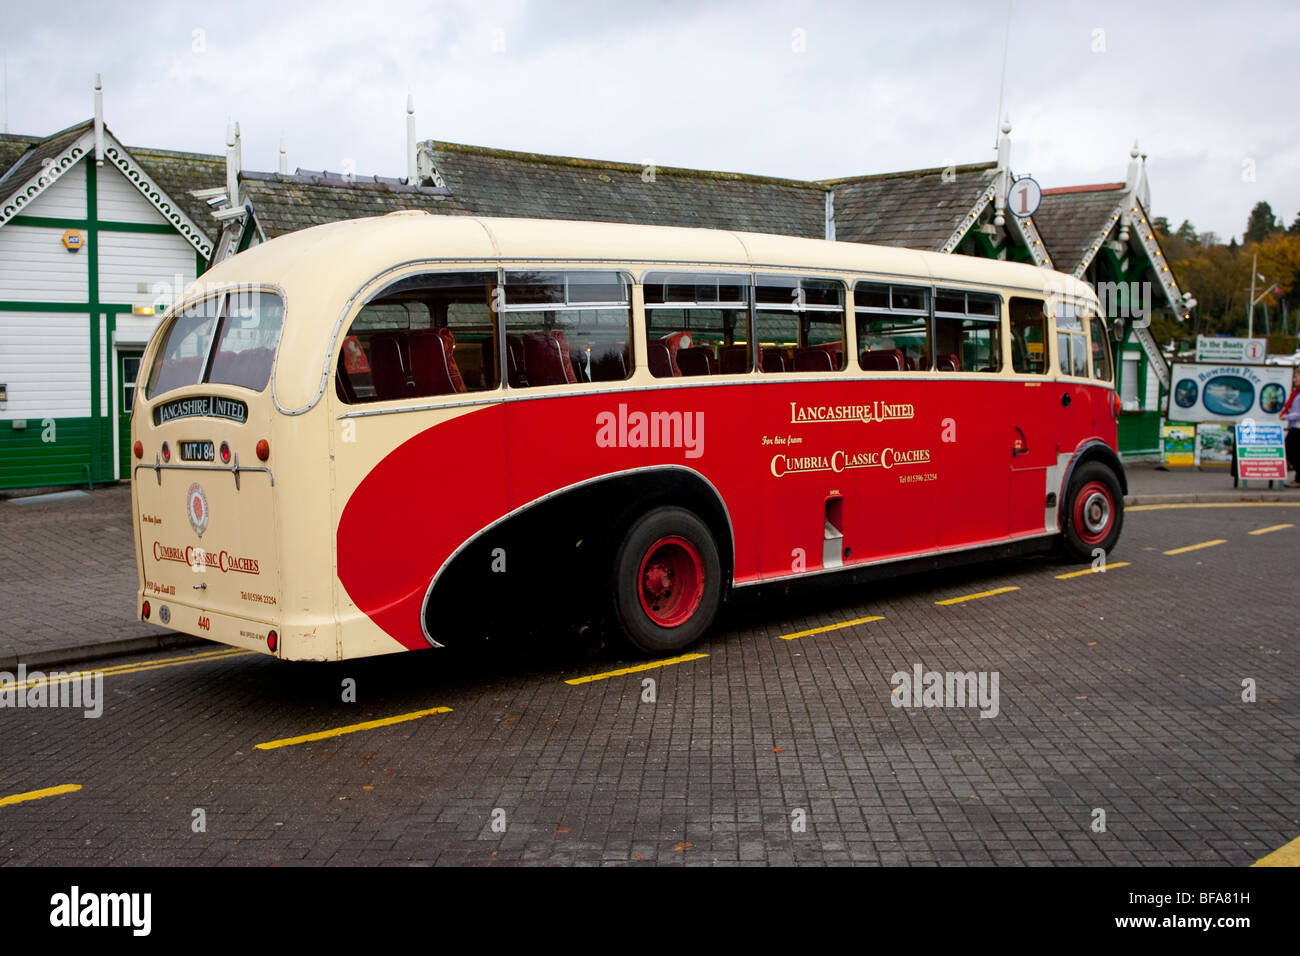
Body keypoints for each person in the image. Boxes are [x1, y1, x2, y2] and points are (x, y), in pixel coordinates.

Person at [1282, 365, 1300, 487]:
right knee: (1293, 451)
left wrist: (1286, 417)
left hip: (1298, 427)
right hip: (1294, 426)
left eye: (1296, 377)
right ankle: (1298, 478)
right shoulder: (1296, 393)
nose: (1294, 380)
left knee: (1292, 451)